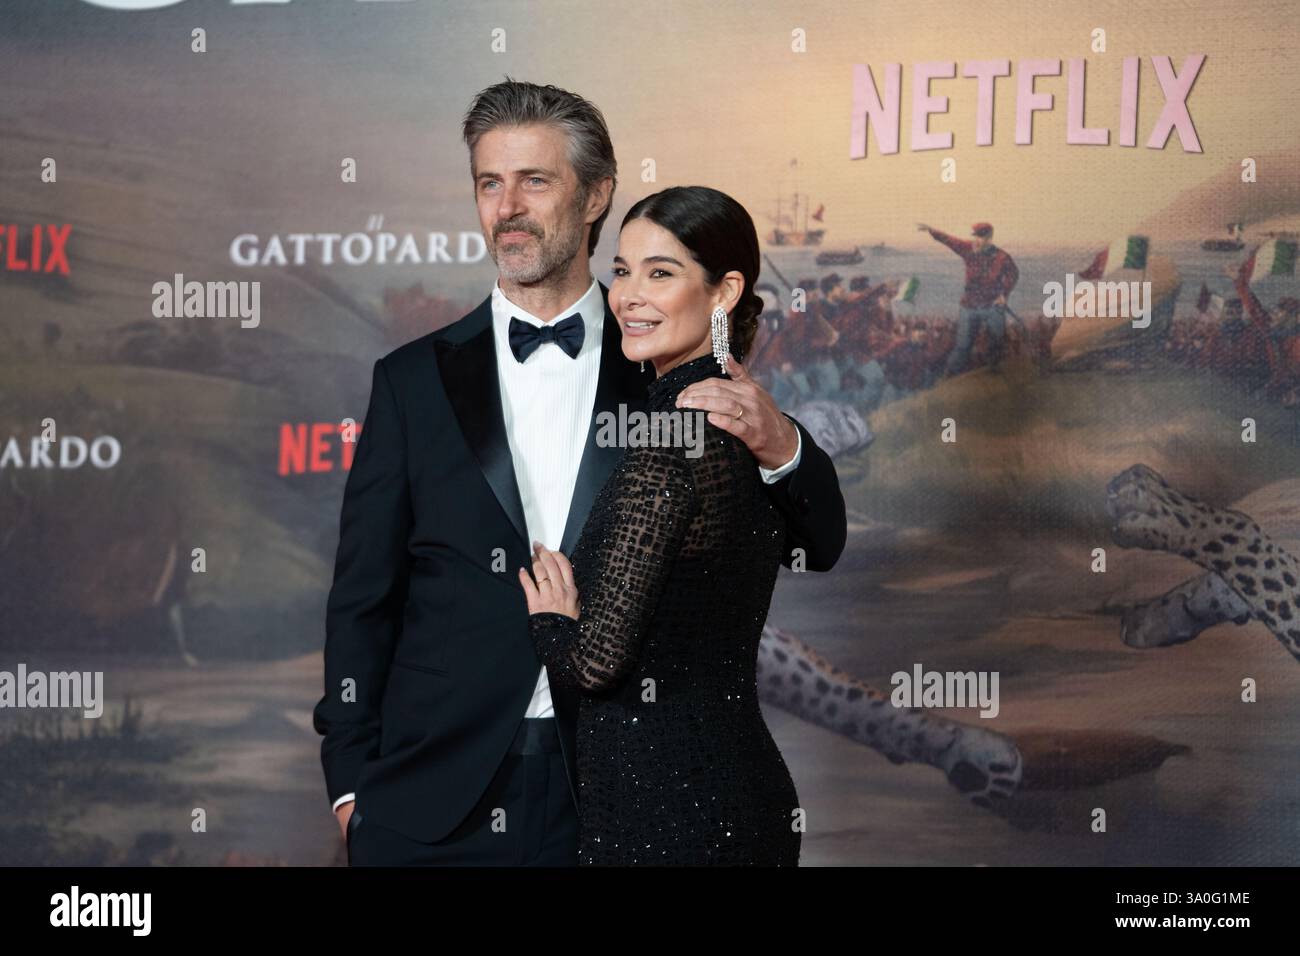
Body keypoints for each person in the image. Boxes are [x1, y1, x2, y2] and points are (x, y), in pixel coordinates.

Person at [312, 80, 847, 866]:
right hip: (430, 798)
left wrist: (786, 448)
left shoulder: (671, 370)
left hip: (617, 792)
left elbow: (818, 539)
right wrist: (351, 787)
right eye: (489, 183)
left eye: (535, 180)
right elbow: (362, 598)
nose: (508, 207)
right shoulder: (410, 381)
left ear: (596, 194)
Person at [521, 186, 815, 865]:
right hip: (736, 798)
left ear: (723, 292)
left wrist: (551, 617)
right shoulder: (746, 427)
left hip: (666, 815)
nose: (628, 295)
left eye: (661, 272)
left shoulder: (670, 445)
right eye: (621, 271)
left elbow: (594, 665)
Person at [917, 221, 1019, 374]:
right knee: (963, 345)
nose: (976, 241)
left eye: (981, 237)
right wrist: (932, 230)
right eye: (975, 237)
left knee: (997, 340)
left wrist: (1004, 294)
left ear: (989, 238)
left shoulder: (1002, 257)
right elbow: (950, 240)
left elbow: (1013, 274)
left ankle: (993, 371)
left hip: (992, 306)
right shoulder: (967, 249)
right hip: (969, 306)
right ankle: (949, 377)